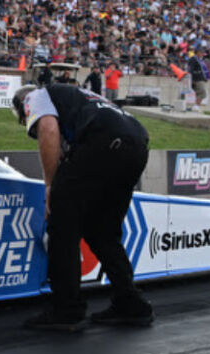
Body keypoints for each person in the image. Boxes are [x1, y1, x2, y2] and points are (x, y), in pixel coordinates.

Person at [14, 82, 153, 331]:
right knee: (103, 232)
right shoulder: (83, 96)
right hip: (136, 145)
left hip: (104, 142)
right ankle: (131, 302)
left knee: (62, 226)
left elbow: (47, 128)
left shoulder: (35, 95)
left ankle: (66, 309)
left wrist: (49, 186)